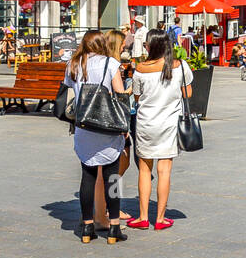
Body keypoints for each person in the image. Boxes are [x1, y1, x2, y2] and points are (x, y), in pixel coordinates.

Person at [128, 28, 192, 230]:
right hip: (169, 124)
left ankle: (143, 216)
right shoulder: (179, 66)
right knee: (164, 171)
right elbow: (188, 93)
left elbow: (137, 97)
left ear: (149, 46)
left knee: (144, 170)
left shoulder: (140, 69)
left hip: (146, 123)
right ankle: (161, 218)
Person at [70, 30, 130, 244]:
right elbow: (120, 94)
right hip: (107, 126)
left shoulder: (75, 64)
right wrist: (125, 126)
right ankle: (114, 227)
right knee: (112, 177)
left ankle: (87, 227)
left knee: (88, 177)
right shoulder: (110, 64)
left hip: (84, 127)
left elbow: (69, 92)